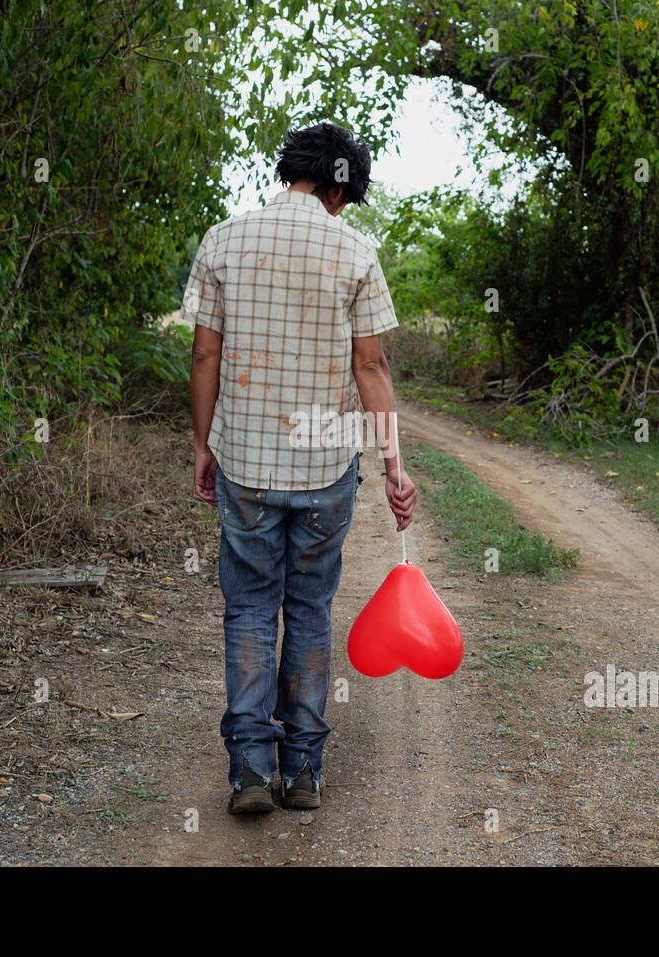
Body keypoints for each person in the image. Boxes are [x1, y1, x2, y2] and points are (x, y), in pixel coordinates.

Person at [183, 121, 417, 815]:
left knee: (250, 610)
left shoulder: (223, 239)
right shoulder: (354, 250)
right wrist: (393, 465)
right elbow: (370, 365)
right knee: (310, 610)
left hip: (246, 466)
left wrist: (204, 445)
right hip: (325, 473)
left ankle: (251, 771)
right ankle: (305, 772)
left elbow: (203, 355)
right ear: (340, 188)